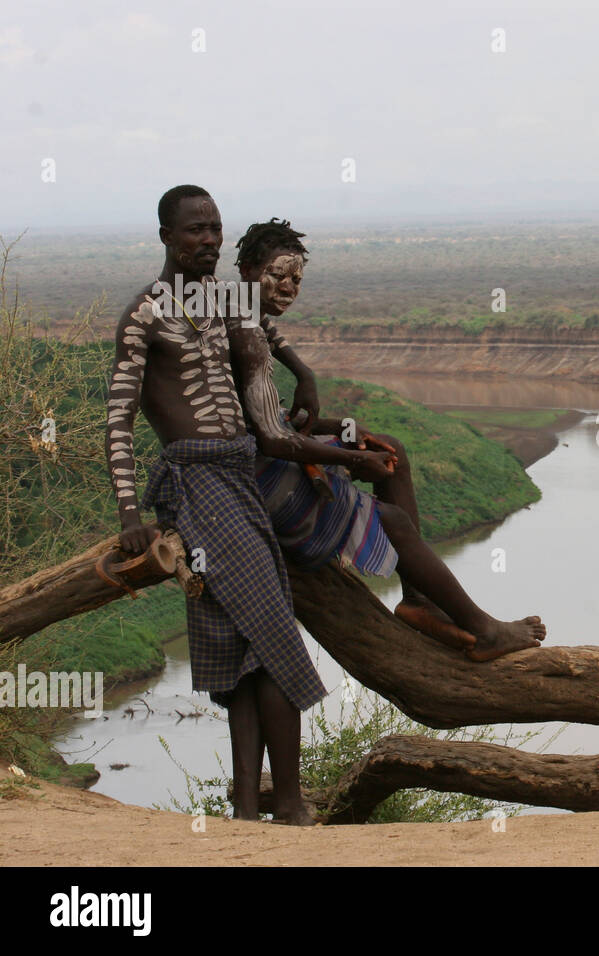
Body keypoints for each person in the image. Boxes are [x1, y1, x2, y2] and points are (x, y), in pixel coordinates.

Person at [225, 218, 546, 661]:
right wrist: (354, 462)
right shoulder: (239, 328)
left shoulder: (242, 312)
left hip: (264, 447)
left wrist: (318, 394)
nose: (287, 287)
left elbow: (270, 390)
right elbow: (272, 438)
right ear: (244, 269)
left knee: (388, 449)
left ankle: (418, 601)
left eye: (296, 278)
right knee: (390, 518)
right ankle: (483, 630)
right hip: (251, 474)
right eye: (277, 275)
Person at [107, 185, 321, 825]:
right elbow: (117, 419)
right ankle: (291, 808)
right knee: (277, 640)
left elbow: (265, 330)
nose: (208, 240)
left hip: (241, 475)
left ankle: (250, 809)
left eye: (215, 229)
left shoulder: (224, 300)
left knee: (243, 651)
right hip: (198, 486)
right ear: (167, 237)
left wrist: (301, 370)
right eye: (195, 230)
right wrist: (128, 518)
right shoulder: (144, 315)